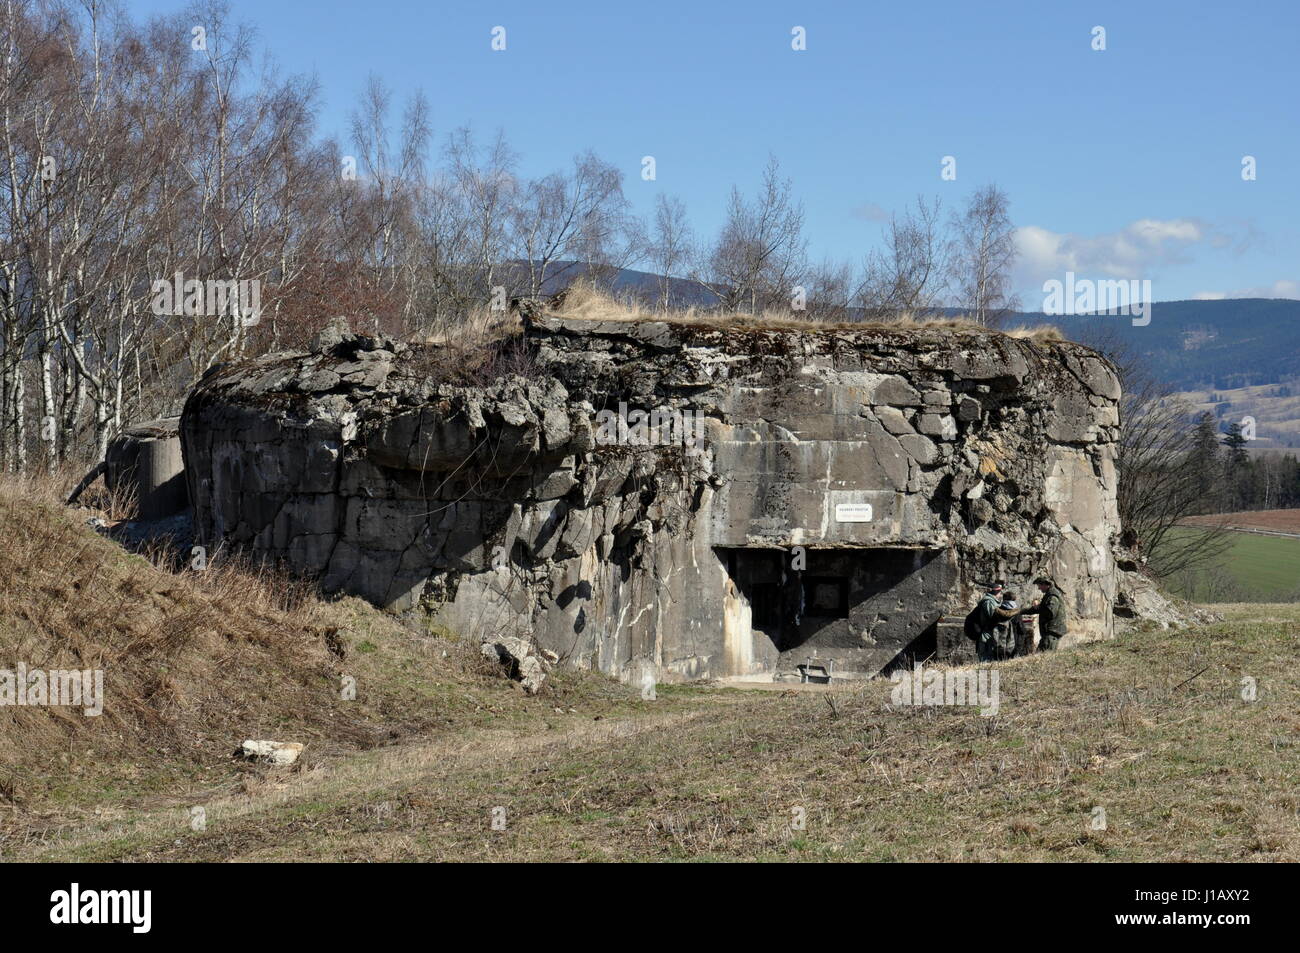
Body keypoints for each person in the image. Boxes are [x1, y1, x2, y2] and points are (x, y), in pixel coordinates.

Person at [965, 582, 1021, 662]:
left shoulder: (992, 602)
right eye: (1000, 592)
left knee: (992, 661)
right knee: (987, 661)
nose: (1001, 594)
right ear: (997, 591)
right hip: (987, 637)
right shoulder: (989, 602)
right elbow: (994, 618)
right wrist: (1012, 612)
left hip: (991, 636)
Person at [1021, 576, 1068, 650]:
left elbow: (1050, 613)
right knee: (1042, 653)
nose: (1039, 588)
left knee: (1044, 653)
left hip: (1051, 633)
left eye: (1039, 585)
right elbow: (1041, 609)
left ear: (1045, 584)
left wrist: (1039, 607)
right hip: (1050, 633)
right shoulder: (1049, 595)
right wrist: (1020, 611)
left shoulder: (1052, 596)